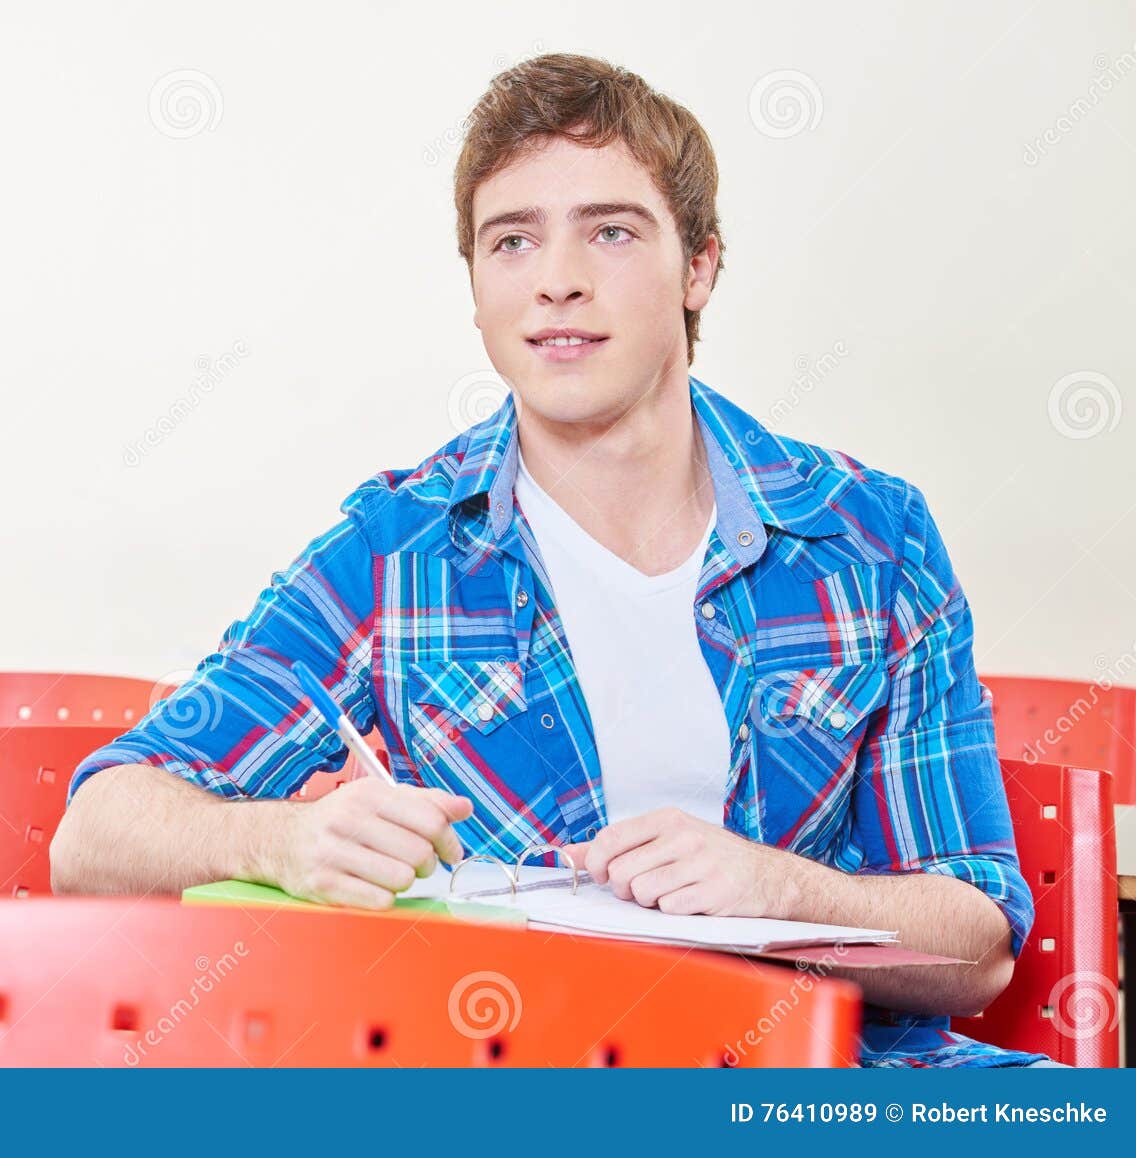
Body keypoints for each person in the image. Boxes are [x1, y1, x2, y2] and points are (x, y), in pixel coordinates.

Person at [52, 53, 1046, 1068]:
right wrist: (277, 843)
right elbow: (94, 835)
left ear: (698, 266)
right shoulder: (395, 548)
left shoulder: (868, 536)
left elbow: (975, 952)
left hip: (816, 1080)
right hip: (516, 1079)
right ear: (478, 288)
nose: (555, 279)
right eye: (511, 240)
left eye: (610, 231)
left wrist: (780, 891)